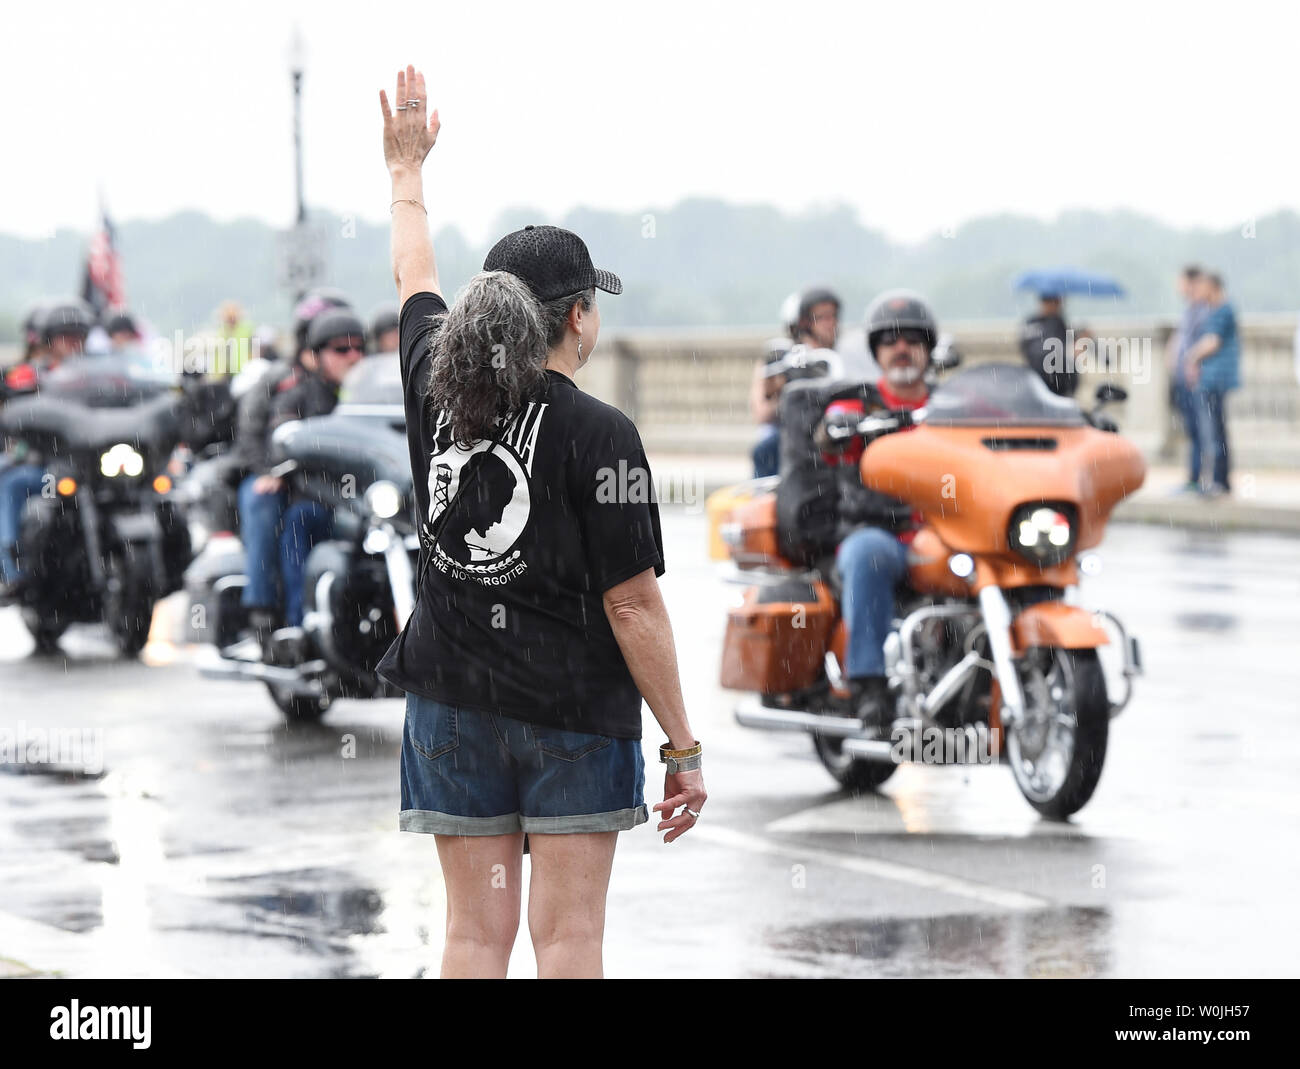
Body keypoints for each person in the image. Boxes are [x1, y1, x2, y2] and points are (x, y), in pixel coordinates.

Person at [373, 64, 704, 980]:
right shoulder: (603, 433)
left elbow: (412, 266)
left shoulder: (431, 383)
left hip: (450, 707)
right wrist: (682, 745)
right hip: (572, 715)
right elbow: (633, 607)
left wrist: (407, 171)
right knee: (567, 942)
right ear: (578, 318)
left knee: (472, 939)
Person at [827, 290, 936, 725]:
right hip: (883, 533)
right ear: (877, 351)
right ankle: (869, 685)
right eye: (890, 340)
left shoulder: (952, 407)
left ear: (928, 348)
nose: (902, 348)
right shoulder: (859, 404)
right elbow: (831, 429)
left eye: (912, 338)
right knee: (867, 553)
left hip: (946, 535)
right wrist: (839, 427)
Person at [234, 308, 364, 636]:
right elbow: (273, 437)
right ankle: (293, 623)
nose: (353, 356)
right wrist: (271, 469)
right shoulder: (292, 390)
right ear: (314, 354)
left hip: (367, 498)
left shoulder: (375, 394)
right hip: (315, 494)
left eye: (358, 347)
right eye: (340, 349)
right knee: (293, 516)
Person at [0, 299, 93, 598]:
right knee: (12, 482)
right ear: (48, 340)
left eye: (78, 335)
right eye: (65, 335)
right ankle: (13, 569)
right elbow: (13, 397)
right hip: (47, 468)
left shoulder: (99, 374)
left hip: (93, 467)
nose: (72, 342)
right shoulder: (32, 374)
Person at [749, 288, 840, 478]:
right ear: (803, 323)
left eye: (833, 316)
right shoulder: (778, 359)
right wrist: (790, 388)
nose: (831, 324)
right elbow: (762, 413)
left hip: (830, 433)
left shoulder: (838, 359)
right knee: (766, 448)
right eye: (822, 317)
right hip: (789, 434)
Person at [1183, 272, 1240, 496]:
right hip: (1214, 378)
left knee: (1213, 433)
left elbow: (1212, 342)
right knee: (1217, 431)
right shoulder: (1219, 309)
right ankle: (1221, 481)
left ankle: (1217, 481)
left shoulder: (1222, 310)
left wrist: (1191, 357)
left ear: (1213, 287)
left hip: (1214, 379)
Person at [1168, 265, 1209, 494]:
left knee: (1200, 431)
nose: (1179, 287)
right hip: (1183, 379)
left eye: (1181, 282)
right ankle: (1193, 479)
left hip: (1195, 380)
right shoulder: (1189, 310)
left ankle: (1198, 480)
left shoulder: (1203, 310)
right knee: (1192, 431)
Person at [1019, 293, 1091, 397]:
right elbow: (1042, 352)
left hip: (1058, 383)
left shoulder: (1056, 322)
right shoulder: (1039, 323)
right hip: (1045, 381)